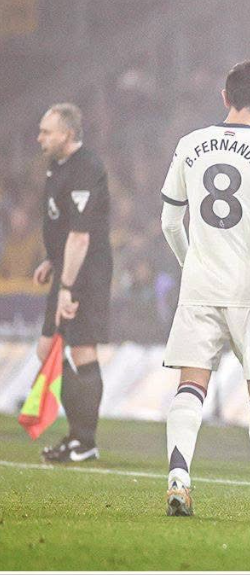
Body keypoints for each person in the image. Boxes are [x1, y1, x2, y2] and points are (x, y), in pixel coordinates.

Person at [158, 61, 250, 516]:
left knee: (190, 385)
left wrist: (192, 265)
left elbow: (169, 222)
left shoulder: (189, 144)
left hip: (200, 286)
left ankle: (179, 478)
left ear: (224, 97)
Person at [34, 103, 113, 464]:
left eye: (46, 132)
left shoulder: (86, 168)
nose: (40, 138)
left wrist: (66, 287)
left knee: (82, 350)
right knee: (47, 349)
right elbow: (63, 225)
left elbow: (81, 236)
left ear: (67, 134)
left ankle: (85, 440)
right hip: (67, 269)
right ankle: (77, 435)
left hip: (85, 274)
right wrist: (52, 259)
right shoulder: (58, 166)